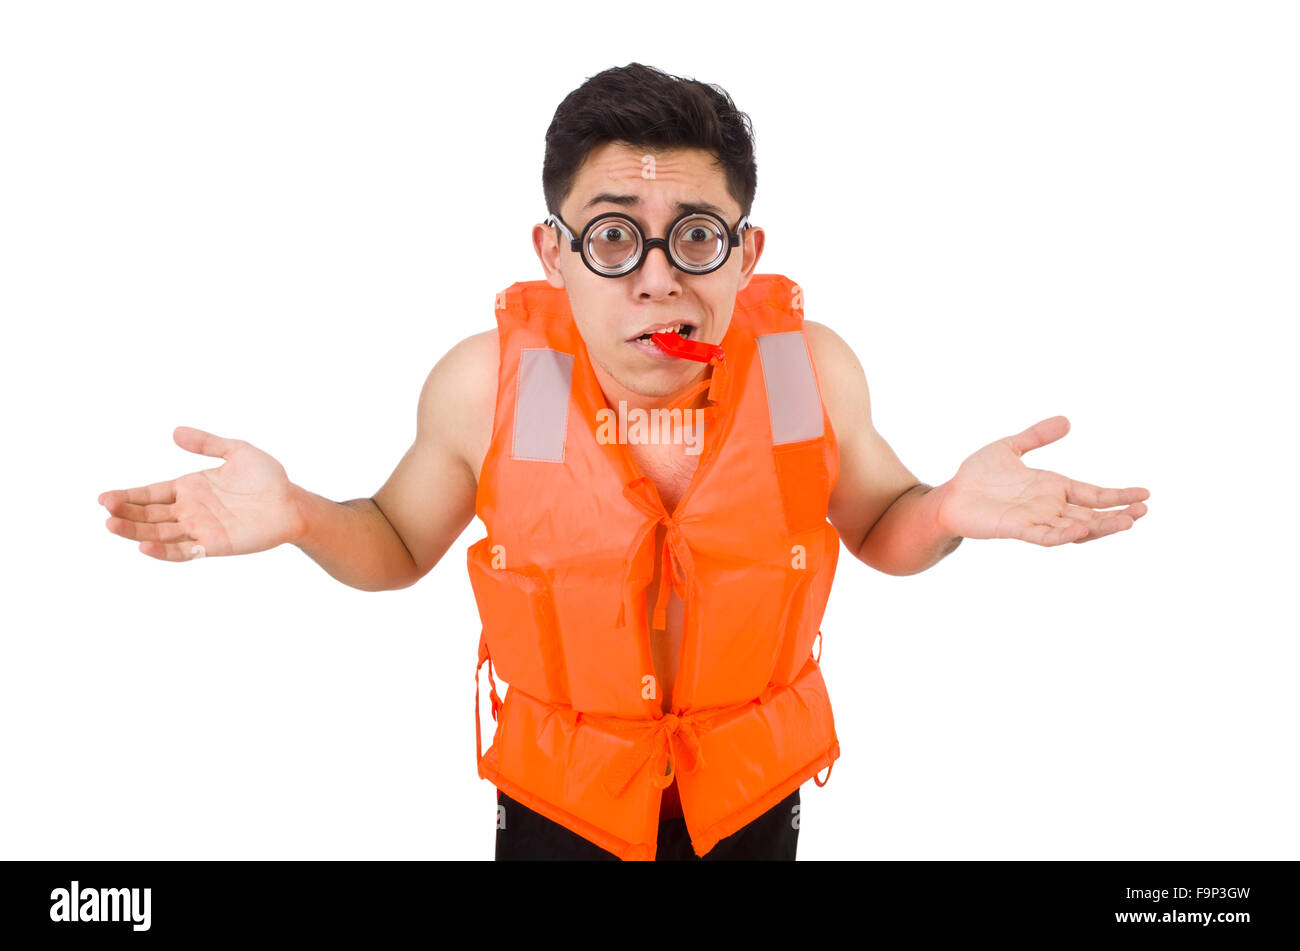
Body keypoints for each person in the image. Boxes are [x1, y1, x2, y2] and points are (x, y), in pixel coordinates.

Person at [97, 63, 1150, 861]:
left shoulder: (808, 374)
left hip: (748, 798)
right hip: (558, 806)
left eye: (694, 236)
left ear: (746, 252)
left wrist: (953, 509)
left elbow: (881, 528)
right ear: (553, 254)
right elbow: (396, 541)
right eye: (611, 237)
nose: (655, 280)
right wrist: (299, 514)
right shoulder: (484, 386)